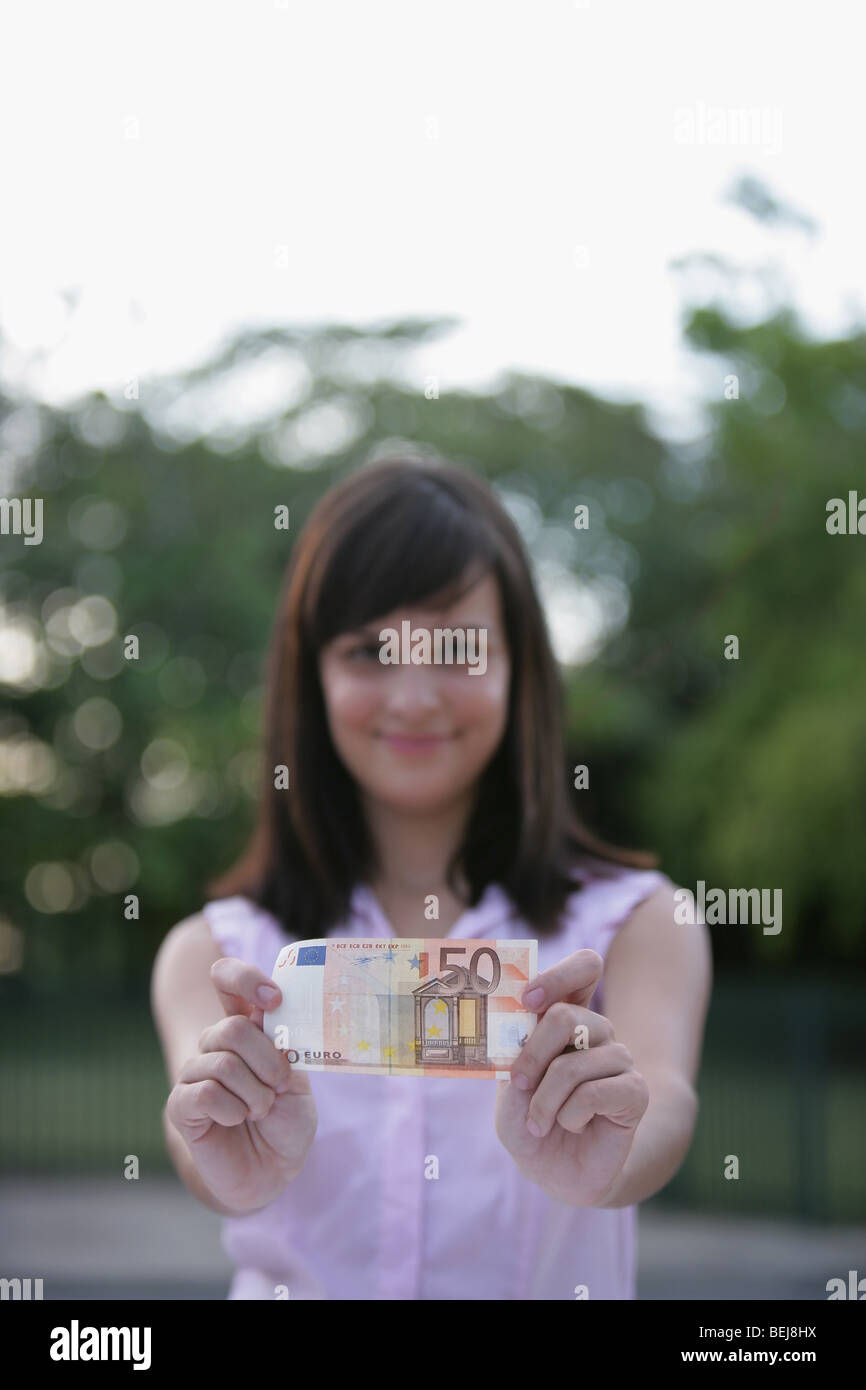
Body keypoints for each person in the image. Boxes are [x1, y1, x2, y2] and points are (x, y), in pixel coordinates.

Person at [151, 455, 711, 1300]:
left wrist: (610, 1152)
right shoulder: (212, 953)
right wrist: (222, 1154)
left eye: (456, 648)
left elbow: (664, 1102)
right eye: (370, 650)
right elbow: (194, 1140)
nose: (413, 698)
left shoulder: (641, 922)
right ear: (313, 674)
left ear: (520, 664)